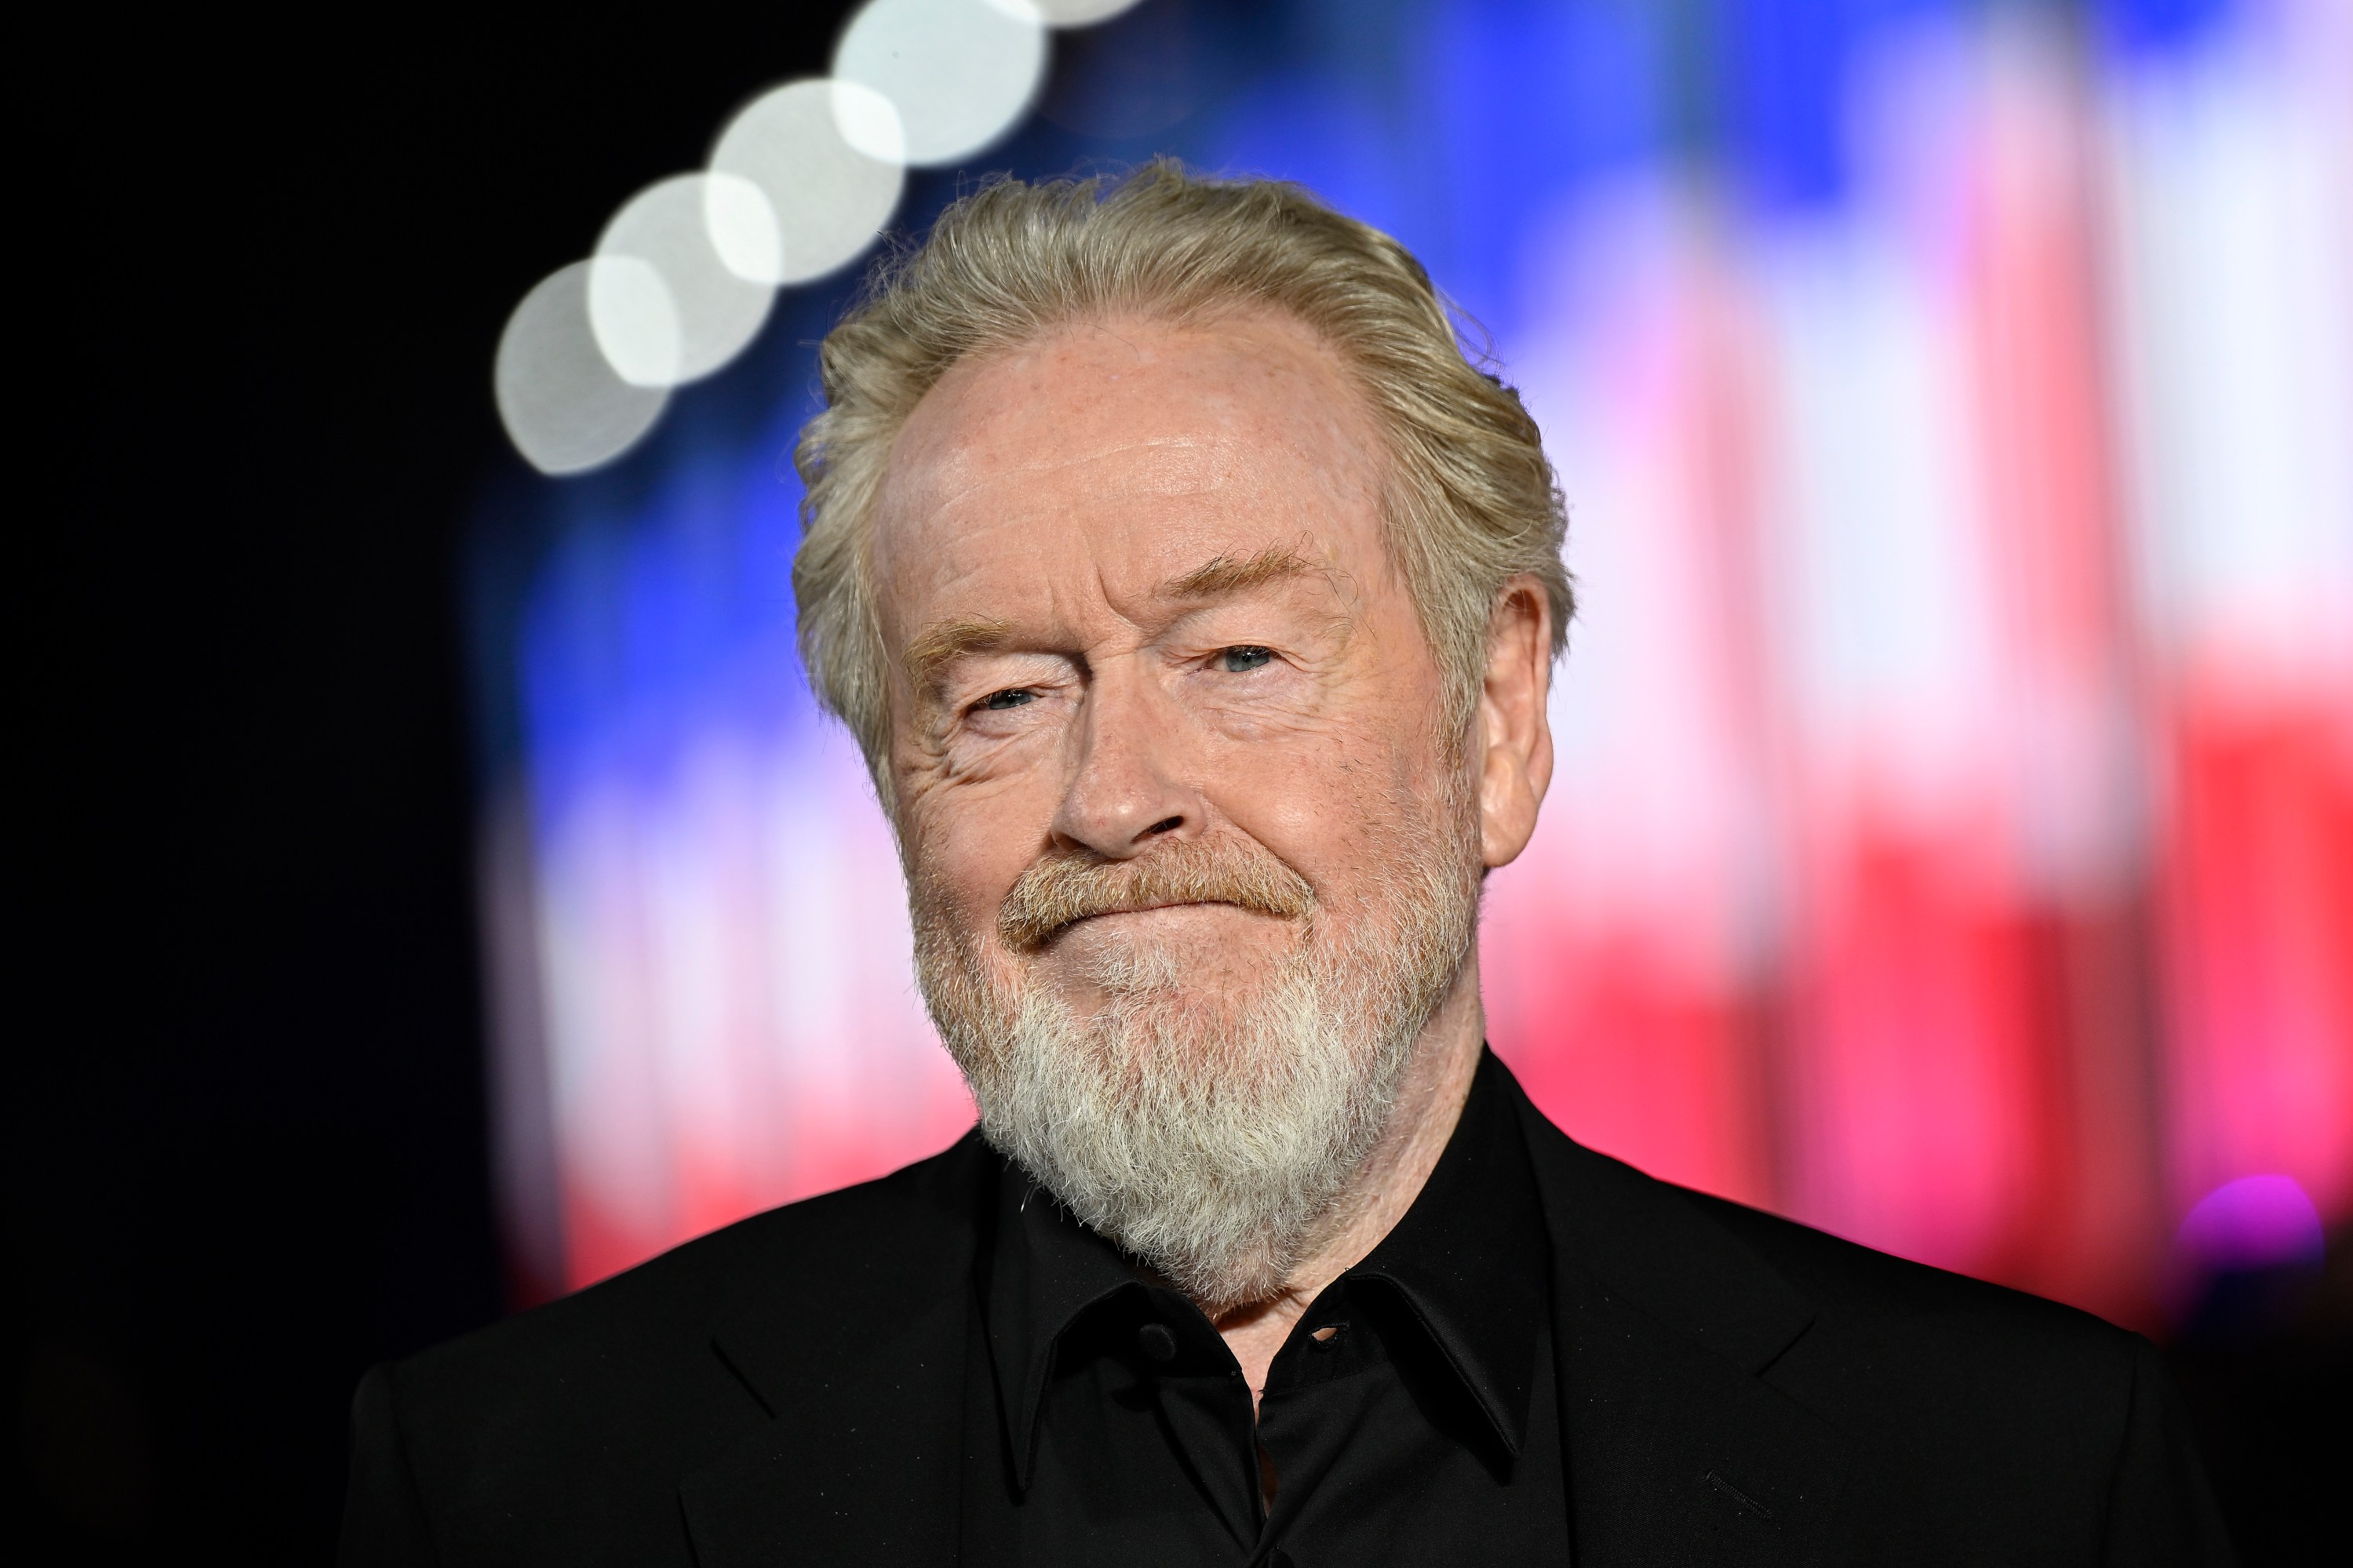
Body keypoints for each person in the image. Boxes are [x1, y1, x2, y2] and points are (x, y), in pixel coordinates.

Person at [339, 163, 2233, 1566]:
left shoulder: (2013, 1483)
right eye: (1000, 695)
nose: (1115, 795)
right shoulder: (524, 1494)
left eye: (1237, 657)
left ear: (1495, 718)